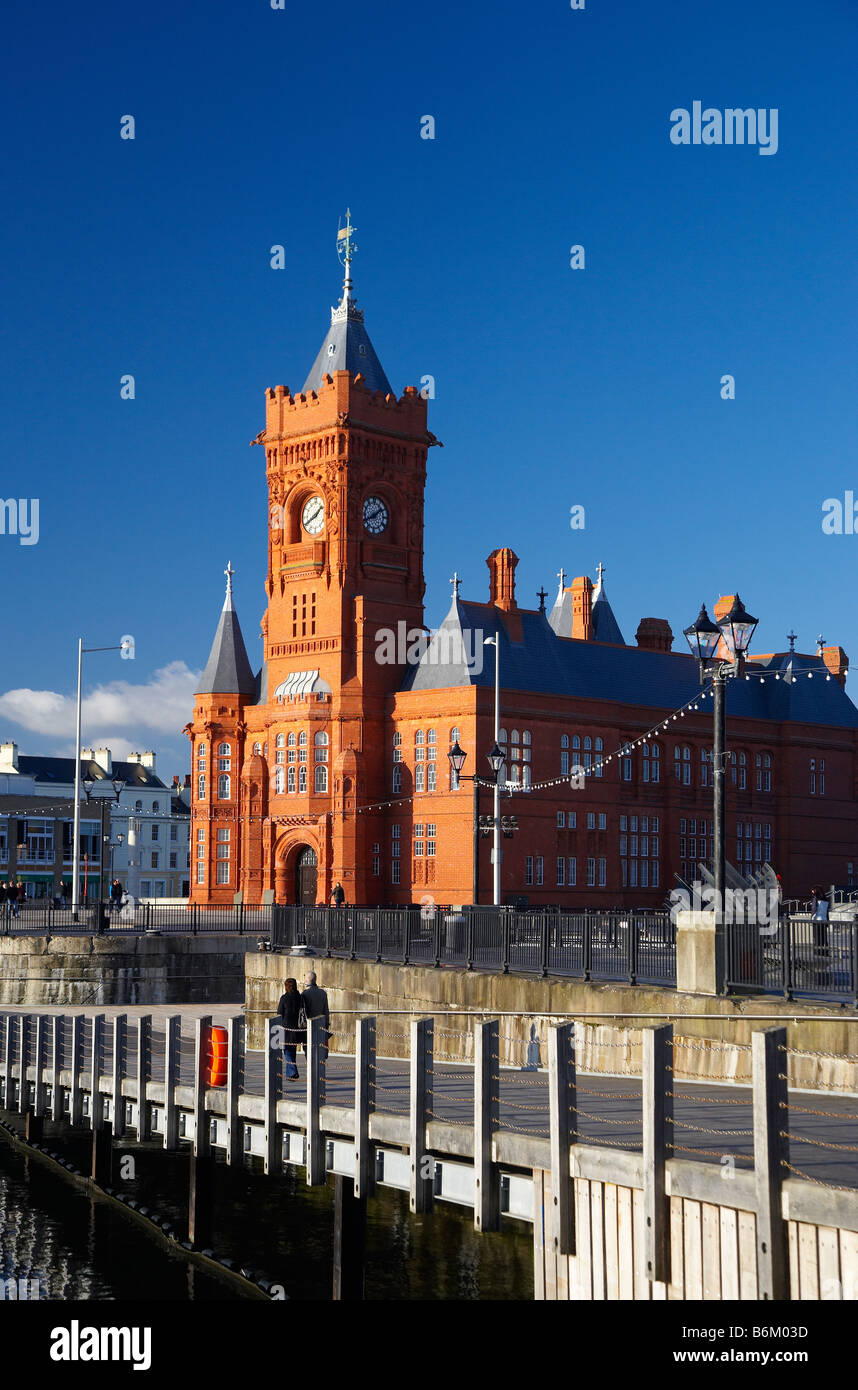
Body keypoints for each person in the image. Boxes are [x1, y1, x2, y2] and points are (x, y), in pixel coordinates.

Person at [276, 977, 303, 1081]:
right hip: (297, 1028)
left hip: (286, 1028)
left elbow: (279, 1013)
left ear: (286, 987)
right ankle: (290, 1074)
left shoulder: (284, 998)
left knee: (287, 1050)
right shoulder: (300, 997)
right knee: (292, 1050)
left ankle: (293, 1072)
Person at [300, 971, 330, 1055]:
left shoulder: (304, 994)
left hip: (308, 1027)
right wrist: (326, 1025)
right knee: (320, 1051)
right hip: (321, 1026)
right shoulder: (323, 993)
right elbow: (326, 1011)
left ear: (306, 981)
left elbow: (302, 1013)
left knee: (309, 1051)